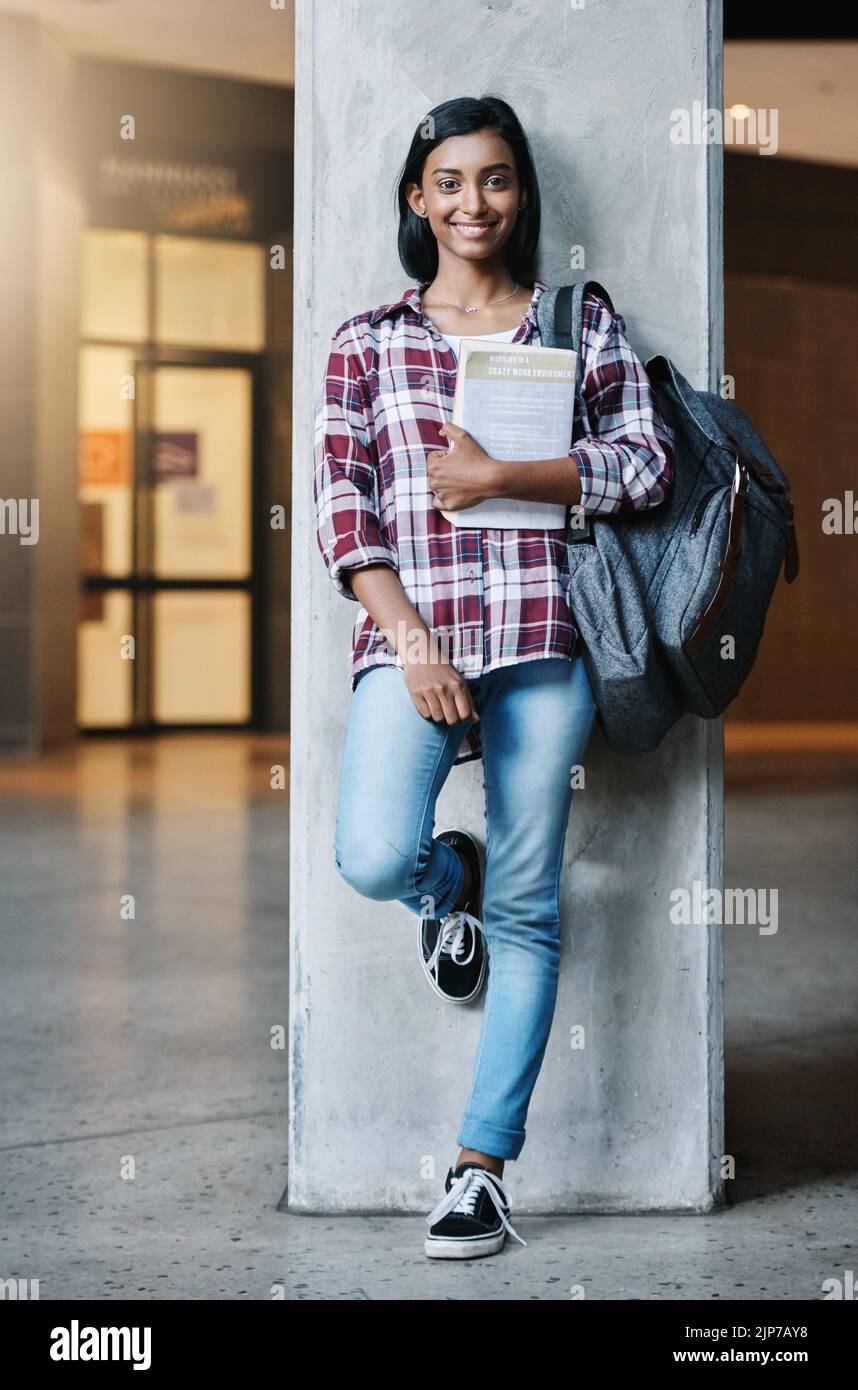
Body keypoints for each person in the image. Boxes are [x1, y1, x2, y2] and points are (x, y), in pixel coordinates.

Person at [312, 94, 675, 1259]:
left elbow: (649, 464)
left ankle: (480, 1168)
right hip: (415, 637)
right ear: (419, 199)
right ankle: (437, 885)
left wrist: (512, 472)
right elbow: (340, 507)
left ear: (522, 194)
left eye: (499, 179)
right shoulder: (366, 341)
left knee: (527, 904)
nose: (476, 202)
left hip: (544, 637)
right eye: (451, 181)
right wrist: (409, 640)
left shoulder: (575, 323)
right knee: (371, 849)